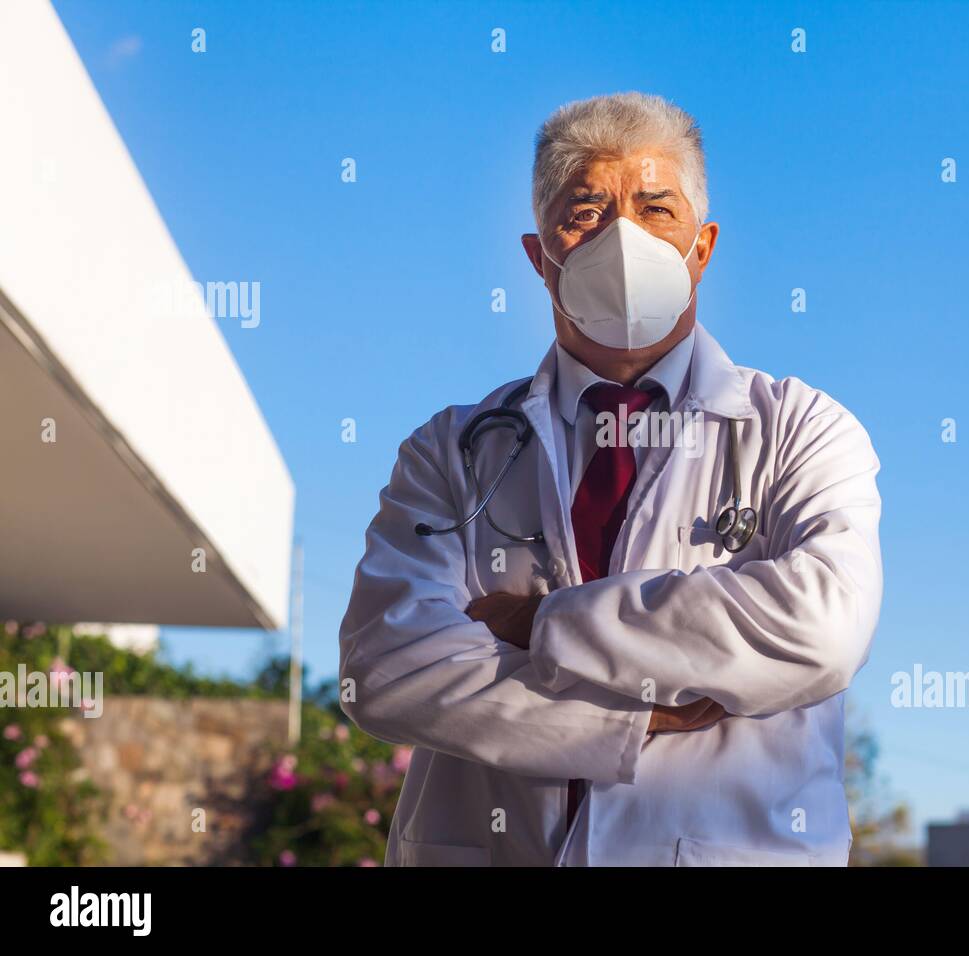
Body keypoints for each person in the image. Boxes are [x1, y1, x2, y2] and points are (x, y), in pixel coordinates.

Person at [339, 92, 883, 866]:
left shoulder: (802, 429)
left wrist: (542, 625)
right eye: (585, 210)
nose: (623, 237)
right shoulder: (451, 451)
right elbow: (387, 670)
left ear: (702, 247)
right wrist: (630, 721)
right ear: (538, 255)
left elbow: (821, 629)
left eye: (656, 208)